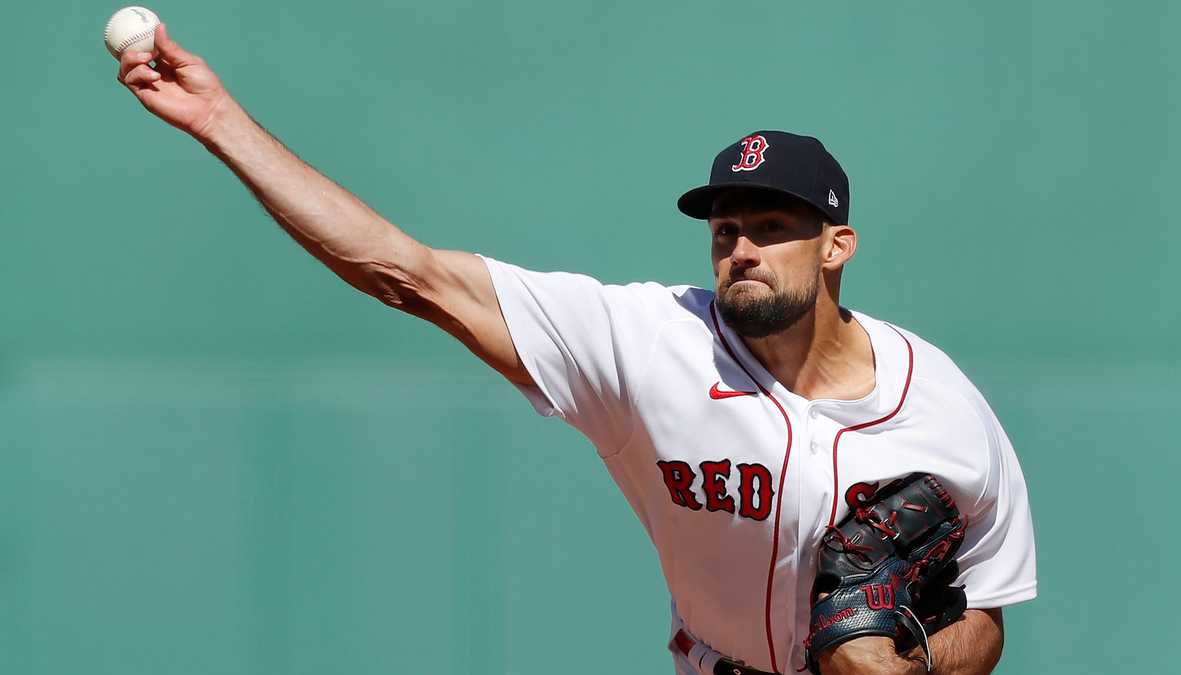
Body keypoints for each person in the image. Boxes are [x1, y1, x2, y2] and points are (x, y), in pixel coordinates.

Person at [115, 24, 1037, 675]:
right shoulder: (647, 342)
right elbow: (411, 274)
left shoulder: (944, 411)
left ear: (837, 244)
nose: (741, 246)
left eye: (772, 224)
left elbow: (989, 614)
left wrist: (906, 660)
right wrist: (220, 123)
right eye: (725, 226)